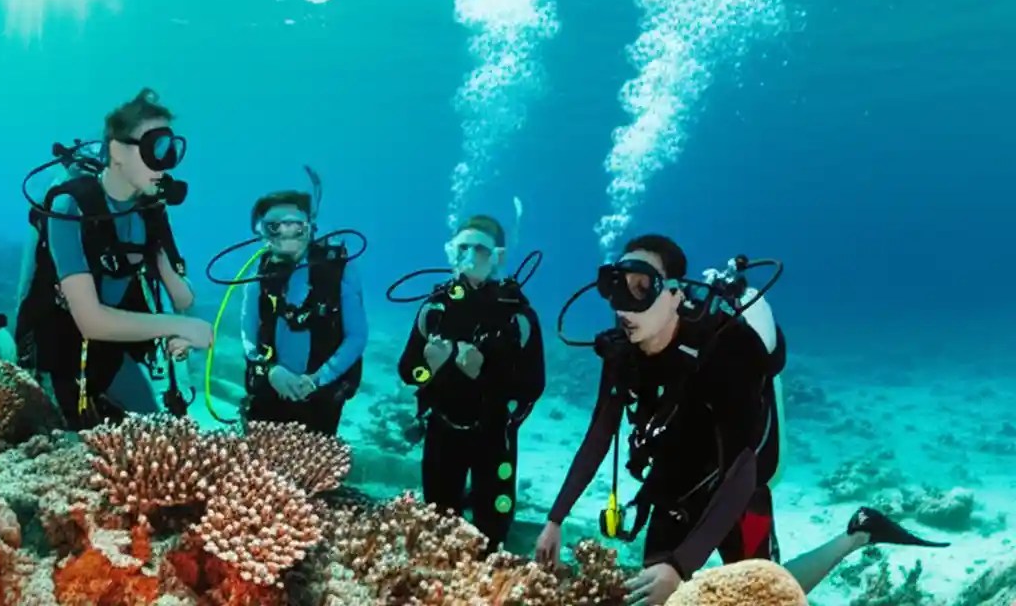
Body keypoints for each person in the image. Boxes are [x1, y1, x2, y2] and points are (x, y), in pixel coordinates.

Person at [534, 234, 946, 604]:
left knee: (767, 593)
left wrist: (679, 567)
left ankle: (858, 533)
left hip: (737, 488)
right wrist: (555, 519)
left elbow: (744, 470)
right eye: (615, 287)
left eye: (641, 287)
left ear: (675, 295)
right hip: (673, 485)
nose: (624, 305)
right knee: (653, 597)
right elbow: (599, 434)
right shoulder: (623, 352)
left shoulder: (728, 349)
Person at [14, 88, 213, 430]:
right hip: (58, 347)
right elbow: (91, 321)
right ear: (117, 151)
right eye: (156, 148)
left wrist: (181, 328)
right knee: (56, 439)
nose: (164, 163)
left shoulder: (149, 210)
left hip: (110, 349)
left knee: (155, 435)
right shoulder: (70, 207)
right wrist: (179, 326)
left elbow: (183, 297)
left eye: (171, 151)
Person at [395, 215, 545, 554]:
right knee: (437, 521)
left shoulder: (517, 316)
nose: (471, 256)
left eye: (481, 249)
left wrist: (485, 375)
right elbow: (409, 371)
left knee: (494, 530)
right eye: (462, 248)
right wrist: (429, 370)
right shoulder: (435, 308)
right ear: (451, 252)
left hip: (496, 437)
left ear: (498, 257)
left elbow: (532, 386)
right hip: (441, 430)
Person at [239, 189, 367, 436]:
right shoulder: (259, 271)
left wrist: (317, 379)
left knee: (313, 471)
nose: (286, 234)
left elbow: (357, 336)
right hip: (270, 388)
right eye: (275, 227)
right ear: (261, 232)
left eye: (295, 226)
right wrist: (271, 370)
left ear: (309, 227)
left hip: (321, 395)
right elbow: (248, 332)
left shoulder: (339, 268)